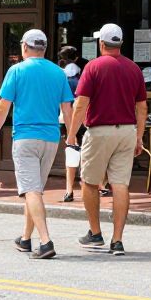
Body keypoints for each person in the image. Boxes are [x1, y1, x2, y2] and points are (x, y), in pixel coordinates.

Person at [0, 29, 74, 260]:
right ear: (44, 48)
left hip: (25, 137)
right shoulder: (58, 73)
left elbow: (3, 106)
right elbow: (67, 109)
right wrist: (72, 135)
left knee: (32, 191)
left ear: (24, 47)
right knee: (33, 190)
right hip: (51, 138)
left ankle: (45, 241)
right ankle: (25, 238)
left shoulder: (16, 70)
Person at [67, 24, 147, 256]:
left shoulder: (93, 67)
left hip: (100, 130)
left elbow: (81, 103)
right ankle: (118, 240)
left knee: (90, 182)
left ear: (102, 43)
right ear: (120, 43)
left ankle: (95, 232)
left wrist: (72, 133)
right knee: (120, 184)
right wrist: (139, 136)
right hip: (127, 131)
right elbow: (141, 107)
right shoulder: (134, 69)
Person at [58, 45, 83, 202]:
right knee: (86, 153)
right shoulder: (80, 78)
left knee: (71, 152)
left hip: (63, 119)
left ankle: (69, 190)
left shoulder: (60, 78)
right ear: (76, 59)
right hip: (82, 118)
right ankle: (99, 185)